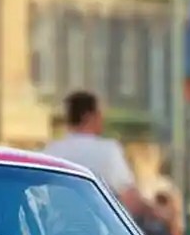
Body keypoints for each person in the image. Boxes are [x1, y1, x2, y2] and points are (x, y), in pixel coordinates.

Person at [43, 91, 146, 219]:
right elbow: (130, 197)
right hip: (98, 232)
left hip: (56, 230)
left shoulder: (51, 151)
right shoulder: (108, 150)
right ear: (90, 116)